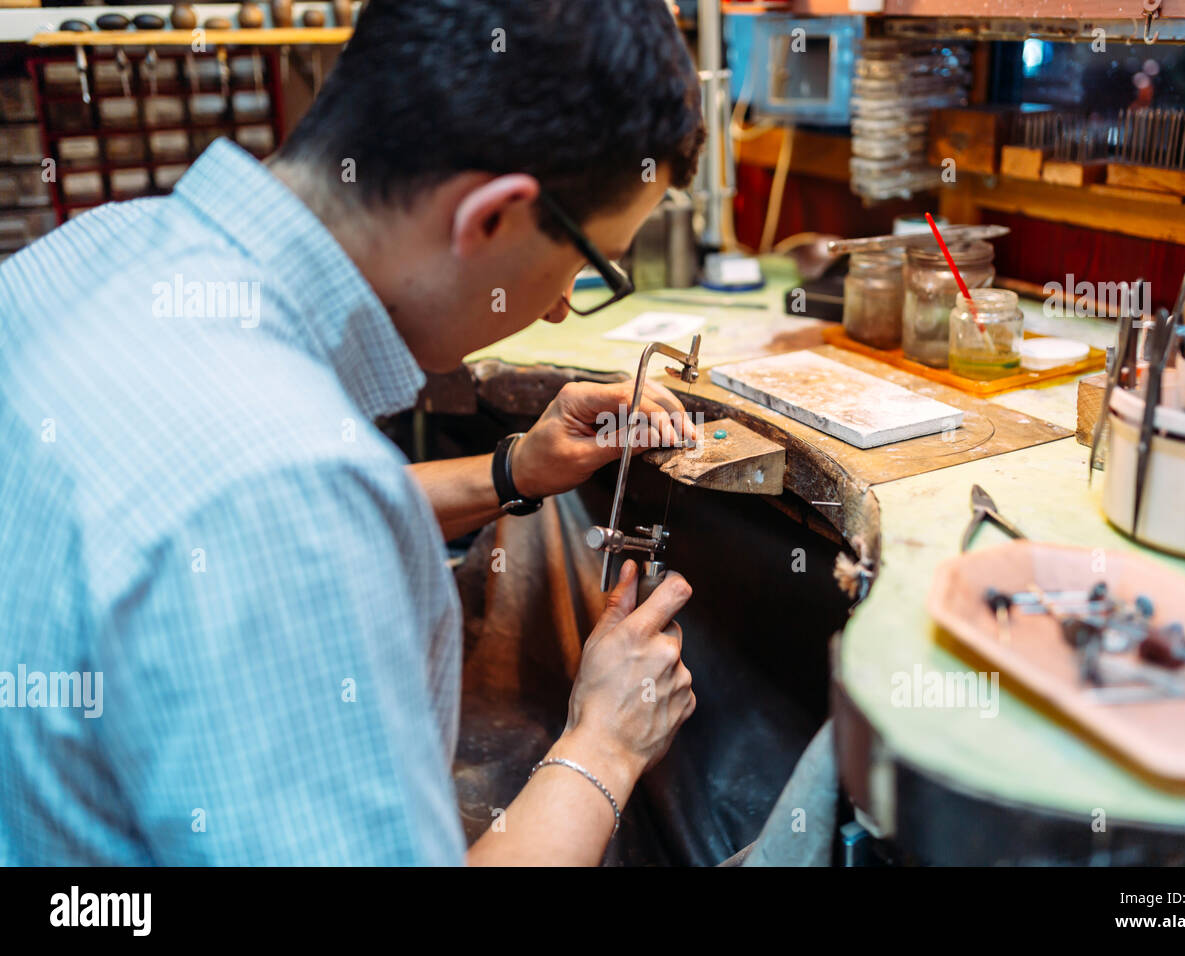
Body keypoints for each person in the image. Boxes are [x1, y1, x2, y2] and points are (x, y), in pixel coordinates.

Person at [0, 0, 705, 865]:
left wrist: (513, 468)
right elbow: (274, 506)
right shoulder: (285, 490)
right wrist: (606, 743)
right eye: (588, 266)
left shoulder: (93, 251)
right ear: (487, 218)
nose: (562, 304)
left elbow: (230, 514)